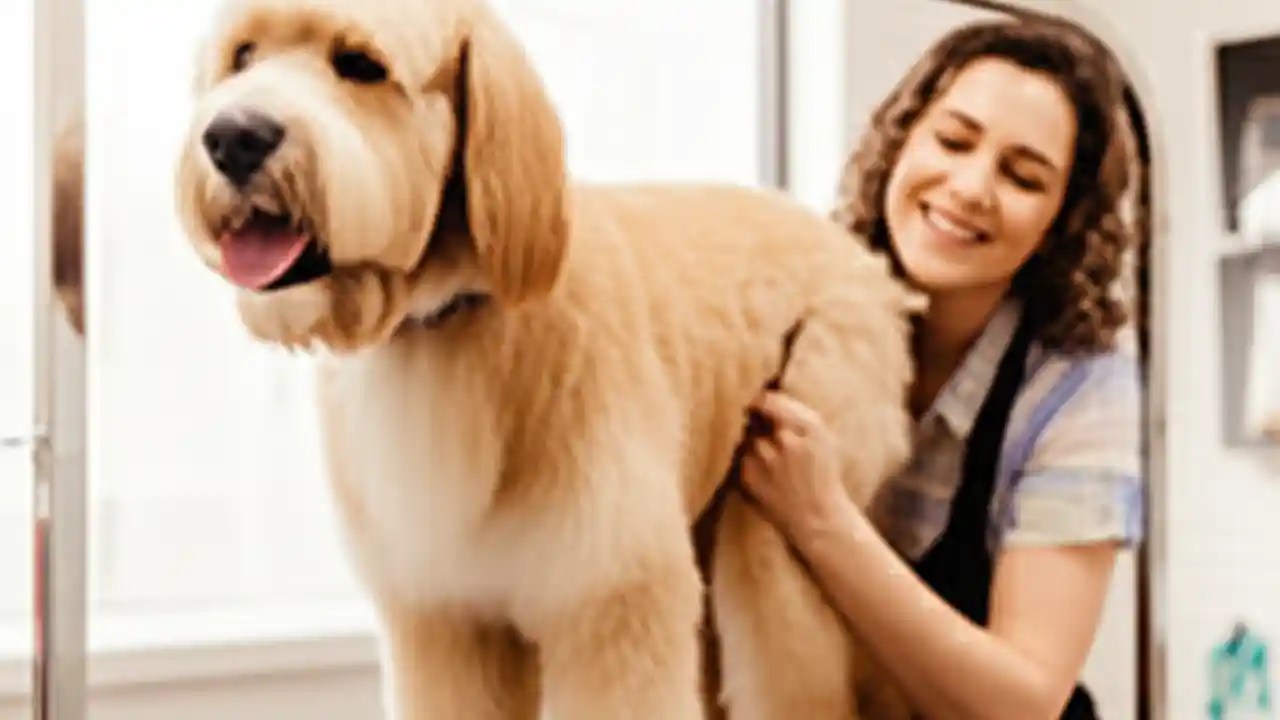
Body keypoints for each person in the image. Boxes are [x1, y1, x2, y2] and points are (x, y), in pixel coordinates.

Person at [740, 16, 1144, 720]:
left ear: (1061, 222)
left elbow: (1023, 704)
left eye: (1023, 176)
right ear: (899, 142)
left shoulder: (1076, 385)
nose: (970, 186)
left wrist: (821, 520)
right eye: (953, 140)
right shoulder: (789, 299)